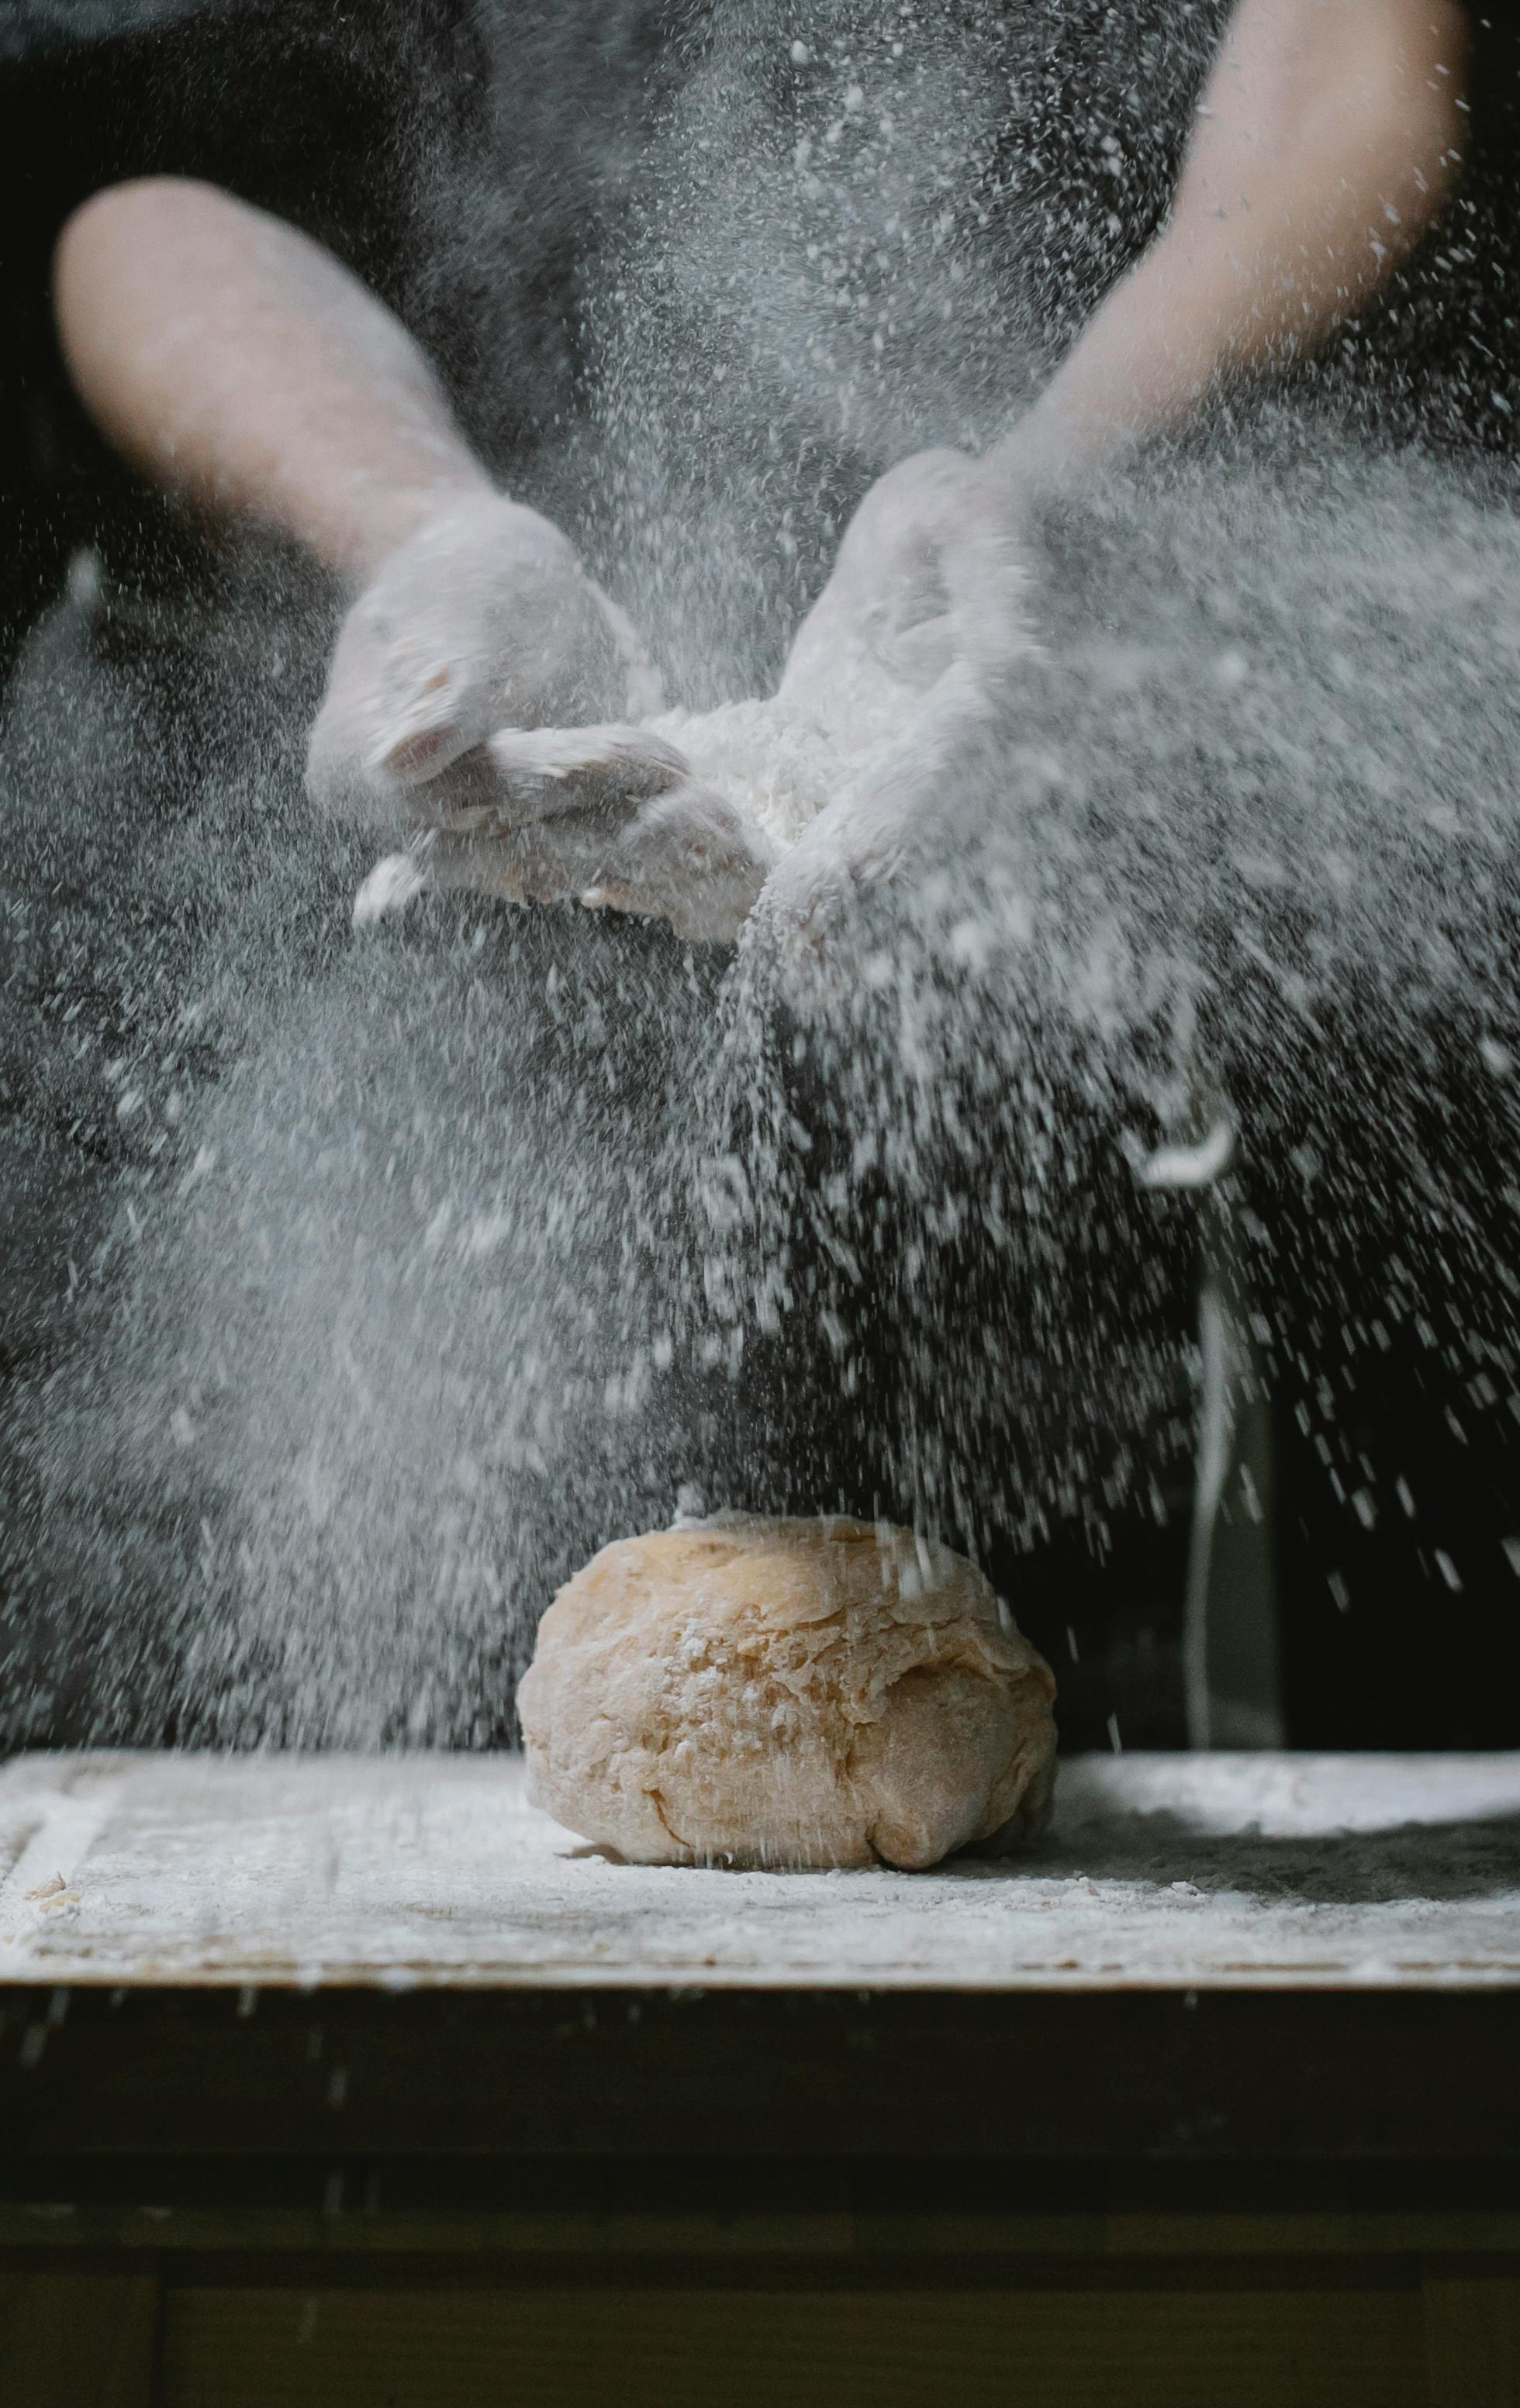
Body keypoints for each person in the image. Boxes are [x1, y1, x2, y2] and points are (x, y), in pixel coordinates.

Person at [4, 0, 1518, 1746]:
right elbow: (152, 197)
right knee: (258, 1823)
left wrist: (1049, 485)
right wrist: (416, 527)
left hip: (1009, 968)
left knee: (989, 1801)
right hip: (341, 965)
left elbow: (1341, 74)